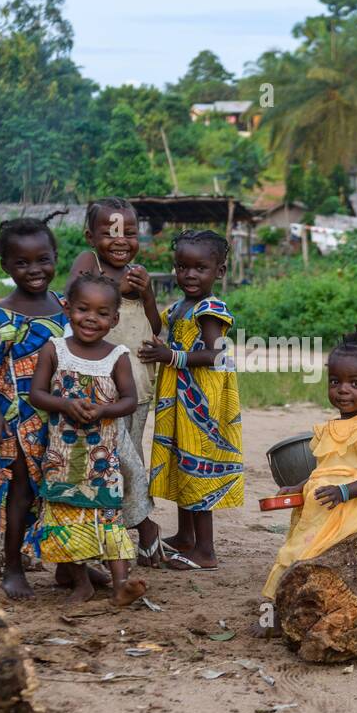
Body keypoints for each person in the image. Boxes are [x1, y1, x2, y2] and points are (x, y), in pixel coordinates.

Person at [0, 218, 107, 600]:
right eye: (22, 263)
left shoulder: (65, 307)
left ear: (55, 259)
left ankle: (69, 566)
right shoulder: (1, 318)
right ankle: (14, 567)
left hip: (61, 417)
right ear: (5, 266)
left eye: (43, 260)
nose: (35, 270)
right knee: (21, 491)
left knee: (63, 489)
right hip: (19, 421)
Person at [254, 332, 357, 638]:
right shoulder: (329, 427)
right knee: (291, 550)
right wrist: (299, 486)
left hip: (352, 507)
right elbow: (325, 469)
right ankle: (273, 615)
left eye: (356, 384)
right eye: (335, 381)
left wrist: (344, 492)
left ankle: (284, 616)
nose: (343, 390)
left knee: (306, 555)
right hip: (322, 505)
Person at [24, 273, 147, 607]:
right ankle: (81, 582)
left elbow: (129, 401)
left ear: (115, 319)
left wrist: (104, 410)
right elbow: (36, 393)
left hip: (102, 461)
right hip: (62, 459)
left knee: (109, 518)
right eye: (82, 309)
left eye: (102, 313)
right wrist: (65, 404)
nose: (91, 318)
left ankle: (121, 583)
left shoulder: (117, 355)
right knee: (65, 517)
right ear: (67, 309)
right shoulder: (55, 350)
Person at [138, 229, 243, 570]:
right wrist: (148, 296)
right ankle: (185, 538)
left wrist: (172, 357)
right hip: (180, 400)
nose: (190, 275)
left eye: (200, 268)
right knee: (184, 466)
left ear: (220, 271)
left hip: (203, 405)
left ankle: (206, 551)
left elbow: (216, 356)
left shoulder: (211, 309)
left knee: (197, 469)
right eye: (182, 267)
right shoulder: (180, 306)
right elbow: (156, 326)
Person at [68, 198, 164, 567]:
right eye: (110, 233)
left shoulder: (139, 275)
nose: (120, 240)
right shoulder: (87, 263)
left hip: (135, 391)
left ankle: (137, 528)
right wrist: (114, 287)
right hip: (92, 391)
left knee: (129, 461)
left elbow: (152, 328)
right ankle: (124, 530)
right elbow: (75, 297)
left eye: (130, 232)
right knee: (96, 462)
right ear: (90, 236)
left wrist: (147, 294)